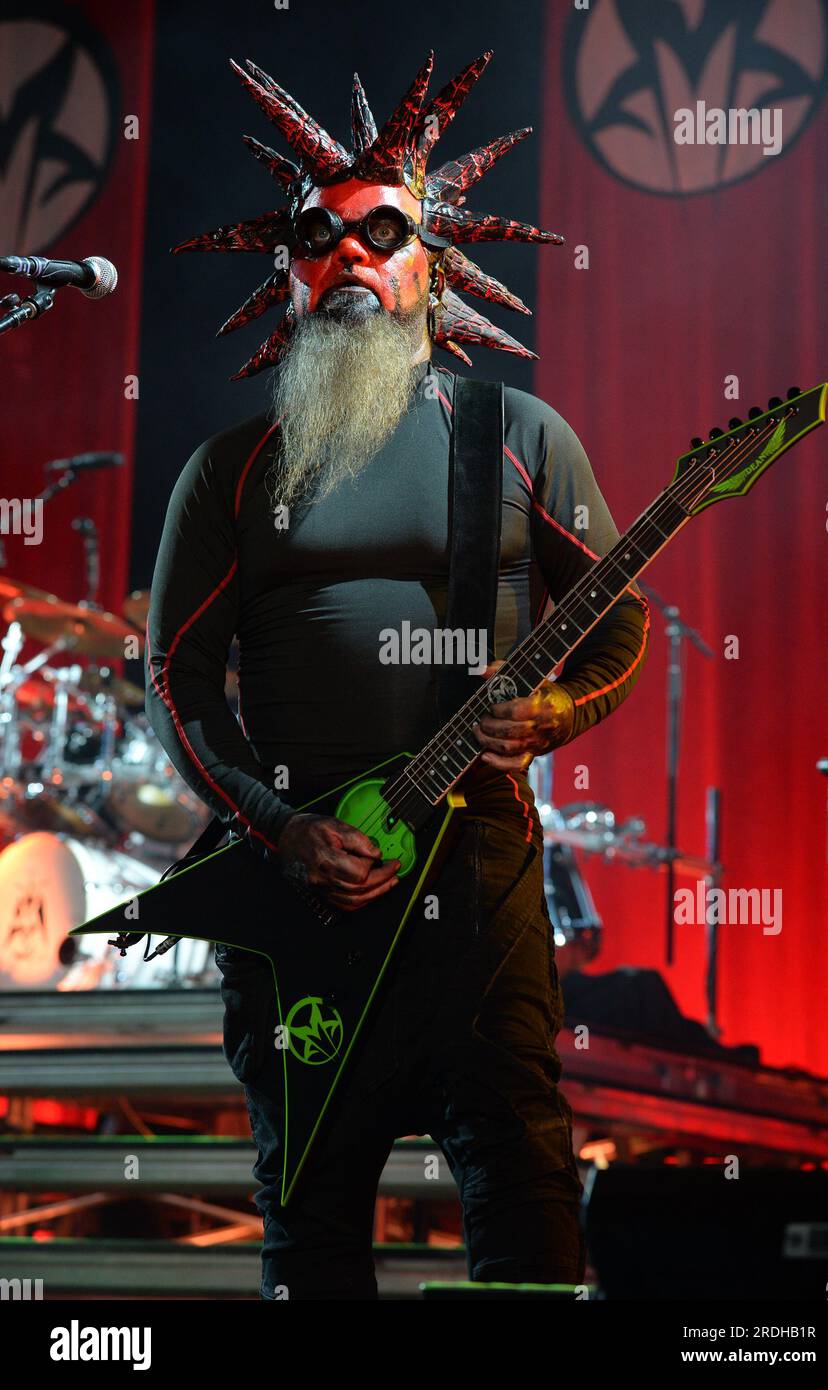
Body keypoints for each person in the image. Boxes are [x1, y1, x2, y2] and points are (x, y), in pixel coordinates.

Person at [145, 50, 649, 1300]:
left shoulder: (518, 439)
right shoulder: (230, 472)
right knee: (306, 1226)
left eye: (385, 228)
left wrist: (553, 711)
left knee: (527, 1212)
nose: (352, 252)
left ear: (433, 262)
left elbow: (621, 624)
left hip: (476, 881)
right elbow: (176, 681)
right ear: (292, 267)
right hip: (302, 888)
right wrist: (277, 830)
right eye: (321, 235)